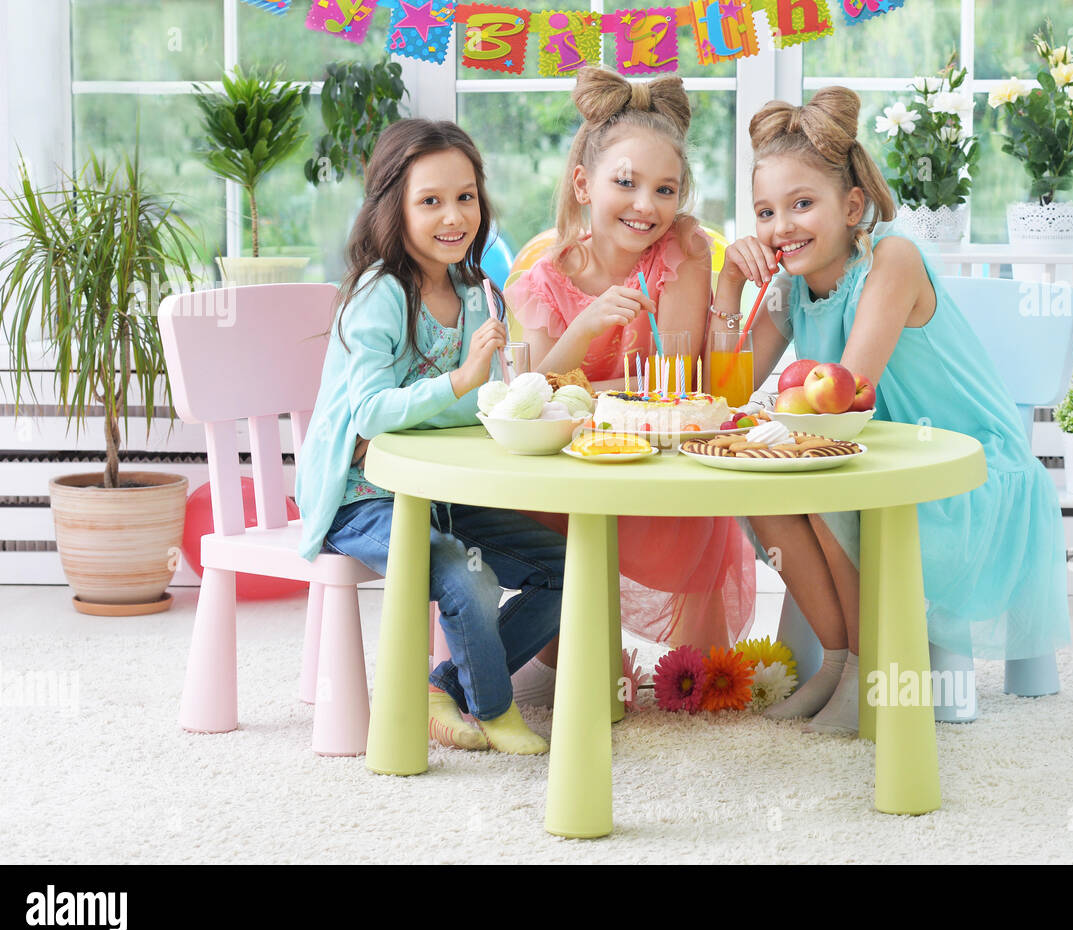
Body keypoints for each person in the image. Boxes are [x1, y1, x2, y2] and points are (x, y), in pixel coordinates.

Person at [714, 88, 1071, 733]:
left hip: (964, 473)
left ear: (852, 206)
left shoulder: (893, 259)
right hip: (875, 460)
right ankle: (840, 659)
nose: (780, 227)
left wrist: (776, 422)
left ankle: (872, 671)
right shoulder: (790, 286)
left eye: (802, 204)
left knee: (824, 489)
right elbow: (725, 393)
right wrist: (728, 286)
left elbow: (847, 392)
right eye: (766, 212)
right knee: (759, 489)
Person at [295, 119, 567, 754]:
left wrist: (509, 396)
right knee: (467, 578)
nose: (454, 216)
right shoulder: (378, 294)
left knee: (567, 564)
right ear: (395, 206)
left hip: (440, 488)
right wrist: (462, 380)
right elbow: (368, 413)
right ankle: (495, 709)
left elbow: (476, 406)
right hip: (360, 496)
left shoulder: (479, 294)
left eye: (466, 196)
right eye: (431, 200)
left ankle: (444, 686)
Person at [504, 67, 756, 706]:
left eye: (664, 189)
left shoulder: (681, 256)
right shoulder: (539, 283)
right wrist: (585, 329)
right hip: (565, 478)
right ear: (584, 185)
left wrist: (596, 391)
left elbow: (678, 381)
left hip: (654, 460)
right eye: (626, 183)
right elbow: (530, 398)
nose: (646, 205)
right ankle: (567, 653)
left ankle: (693, 678)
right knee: (599, 688)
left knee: (703, 508)